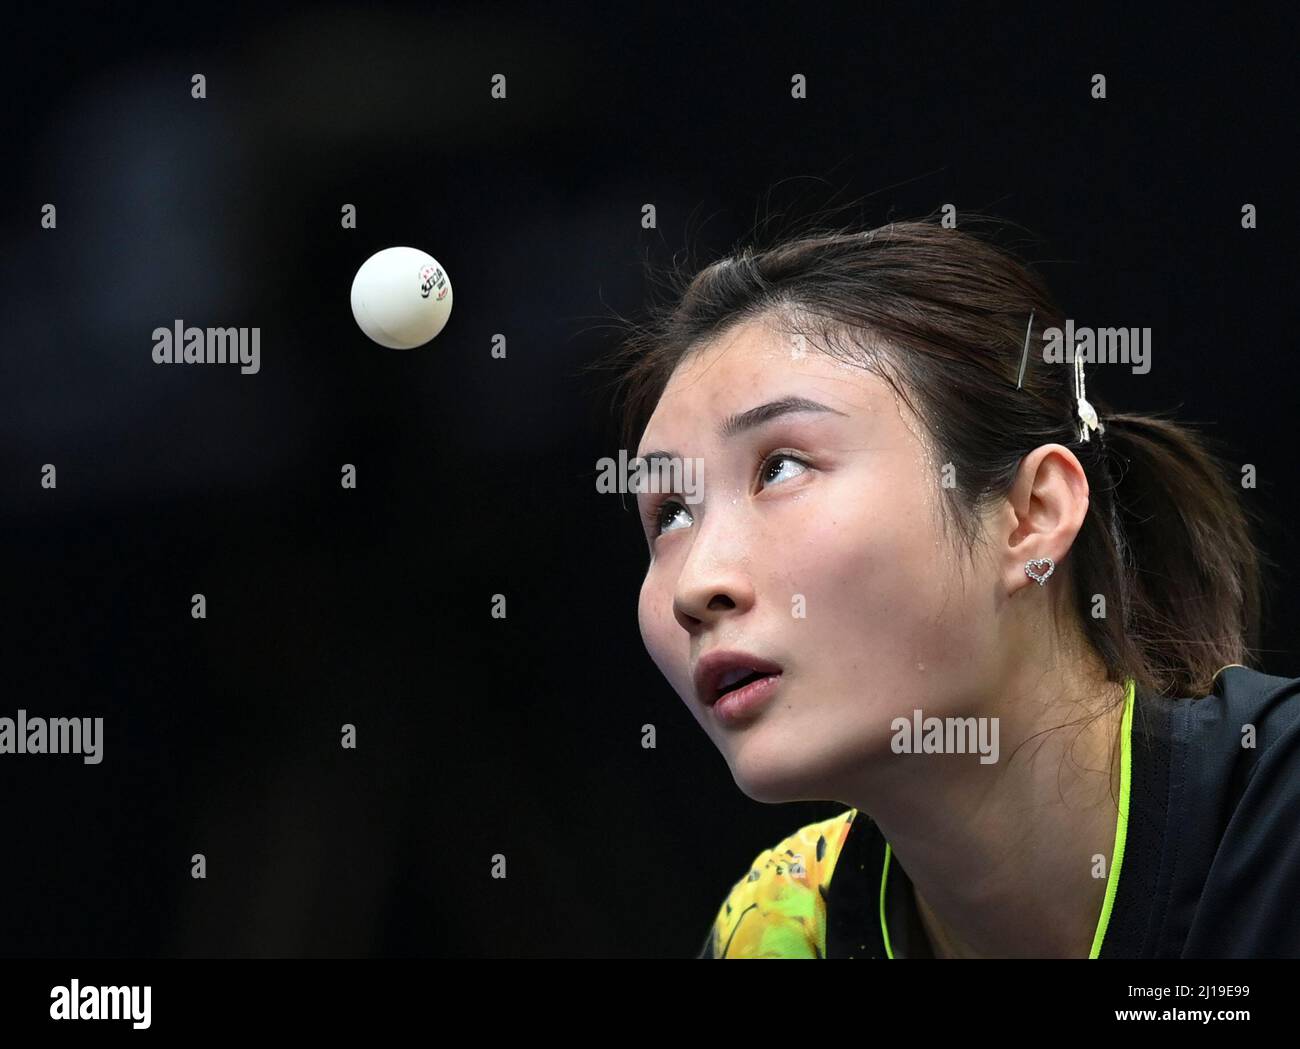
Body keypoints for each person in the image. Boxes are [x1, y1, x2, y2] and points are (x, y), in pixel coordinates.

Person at [600, 214, 1300, 958]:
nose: (695, 584)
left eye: (780, 467)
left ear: (1032, 515)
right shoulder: (778, 930)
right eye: (670, 513)